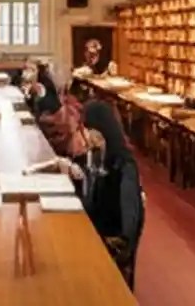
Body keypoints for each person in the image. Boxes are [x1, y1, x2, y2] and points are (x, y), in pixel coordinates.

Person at [74, 101, 145, 285]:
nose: (87, 136)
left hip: (109, 243)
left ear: (102, 131)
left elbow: (129, 222)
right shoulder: (100, 156)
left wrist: (113, 246)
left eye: (89, 130)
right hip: (95, 232)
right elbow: (92, 203)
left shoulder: (124, 166)